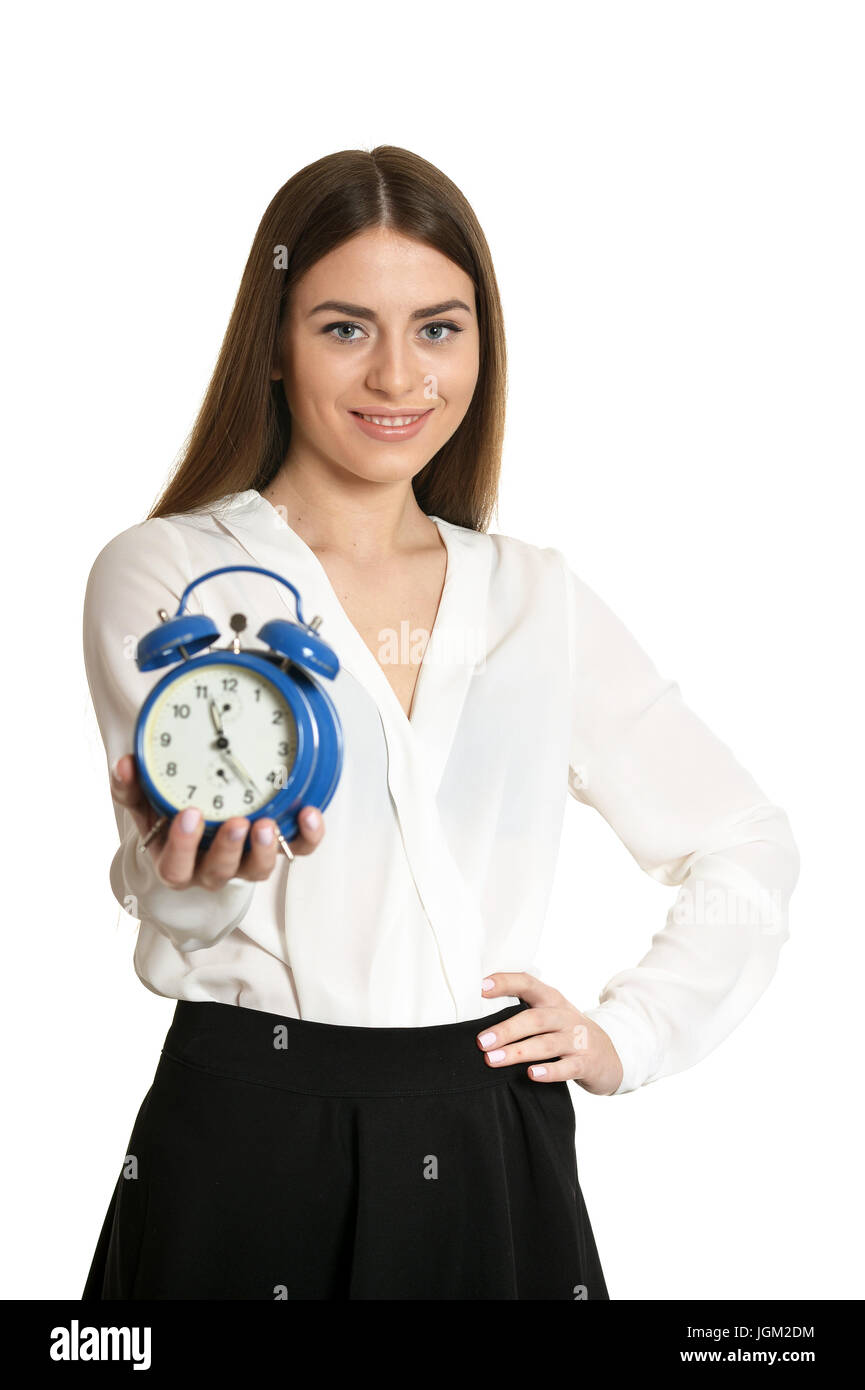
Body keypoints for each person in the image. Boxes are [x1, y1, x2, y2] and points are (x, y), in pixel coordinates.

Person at [80, 145, 800, 1301]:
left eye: (438, 329)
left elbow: (744, 838)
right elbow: (184, 886)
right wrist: (188, 879)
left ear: (480, 345)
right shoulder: (174, 571)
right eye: (345, 327)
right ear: (274, 342)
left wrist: (630, 1033)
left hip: (488, 1139)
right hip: (251, 1134)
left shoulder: (532, 597)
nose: (398, 375)